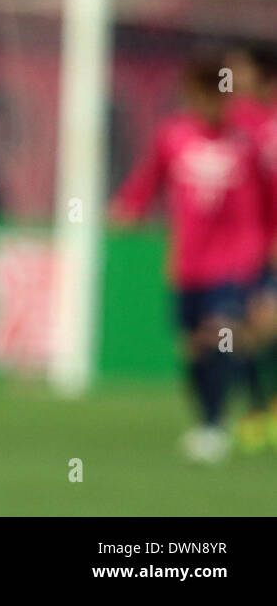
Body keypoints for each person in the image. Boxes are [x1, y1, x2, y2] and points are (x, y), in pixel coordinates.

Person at [111, 54, 269, 463]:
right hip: (188, 264)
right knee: (193, 350)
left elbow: (271, 195)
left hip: (237, 260)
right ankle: (220, 415)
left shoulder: (249, 139)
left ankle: (217, 425)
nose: (211, 104)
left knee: (222, 335)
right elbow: (150, 179)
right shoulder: (174, 136)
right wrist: (130, 207)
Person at [222, 43, 277, 450]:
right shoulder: (235, 123)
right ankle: (260, 407)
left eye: (239, 68)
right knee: (242, 331)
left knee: (265, 324)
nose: (232, 77)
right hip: (244, 249)